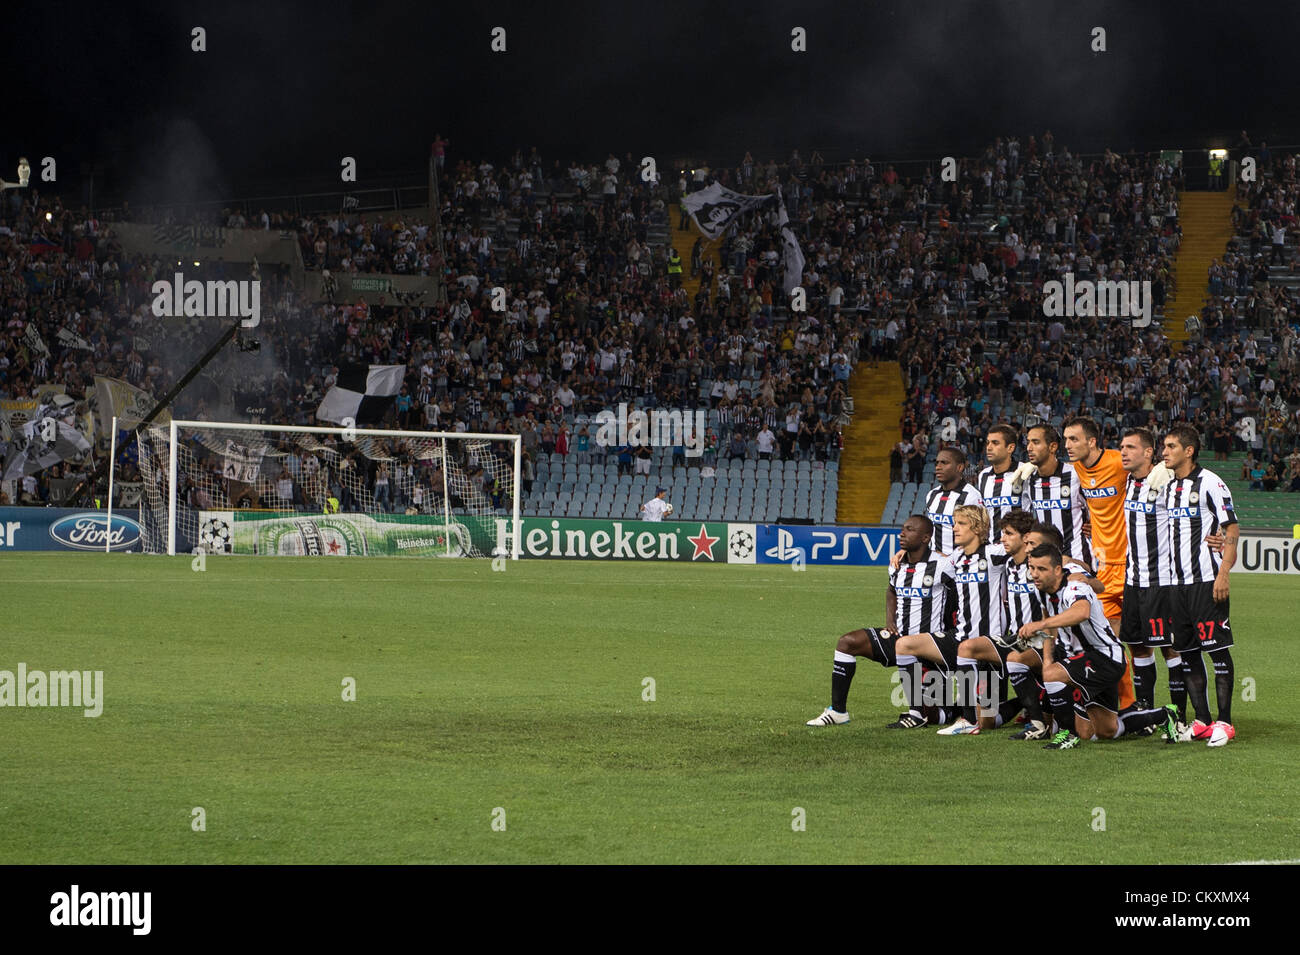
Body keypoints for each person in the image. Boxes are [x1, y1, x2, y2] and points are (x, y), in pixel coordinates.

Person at [805, 515, 956, 728]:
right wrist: (889, 621)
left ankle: (945, 711)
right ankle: (838, 712)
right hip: (897, 638)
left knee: (935, 713)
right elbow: (891, 590)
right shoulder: (897, 564)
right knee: (847, 643)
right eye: (903, 528)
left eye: (909, 530)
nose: (902, 533)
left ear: (925, 538)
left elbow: (964, 591)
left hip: (928, 647)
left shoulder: (942, 565)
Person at [1019, 544, 1173, 749]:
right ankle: (1164, 715)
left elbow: (1081, 612)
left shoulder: (1075, 587)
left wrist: (1042, 625)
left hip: (1105, 657)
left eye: (1041, 569)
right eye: (1032, 568)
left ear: (1057, 570)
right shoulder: (1044, 590)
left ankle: (1066, 735)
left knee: (1053, 674)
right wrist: (1047, 659)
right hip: (1086, 660)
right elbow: (1048, 623)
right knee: (1105, 730)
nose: (1035, 574)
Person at [894, 505, 1012, 735]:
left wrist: (1077, 565)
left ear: (977, 528)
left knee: (988, 721)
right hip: (959, 639)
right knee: (904, 645)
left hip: (989, 645)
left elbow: (1026, 549)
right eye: (954, 523)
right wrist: (903, 555)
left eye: (961, 524)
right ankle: (917, 713)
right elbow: (927, 564)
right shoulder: (956, 558)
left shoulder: (993, 554)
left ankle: (1023, 705)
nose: (954, 528)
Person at [1162, 425, 1240, 747]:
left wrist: (1224, 572)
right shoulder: (1168, 488)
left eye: (1170, 446)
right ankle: (1203, 720)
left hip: (1206, 582)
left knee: (1217, 651)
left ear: (1189, 450)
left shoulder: (1210, 482)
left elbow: (1231, 528)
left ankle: (1226, 721)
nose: (1164, 451)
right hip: (1176, 585)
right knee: (1188, 654)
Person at [922, 447, 983, 555]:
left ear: (959, 467)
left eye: (944, 463)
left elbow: (979, 535)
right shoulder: (932, 495)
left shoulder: (971, 496)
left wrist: (951, 559)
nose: (938, 467)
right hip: (934, 565)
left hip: (958, 565)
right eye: (937, 463)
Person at [974, 423, 1028, 542]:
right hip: (991, 548)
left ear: (1010, 448)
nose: (989, 447)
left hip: (1019, 548)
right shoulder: (983, 475)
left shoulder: (1025, 472)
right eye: (988, 443)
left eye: (995, 443)